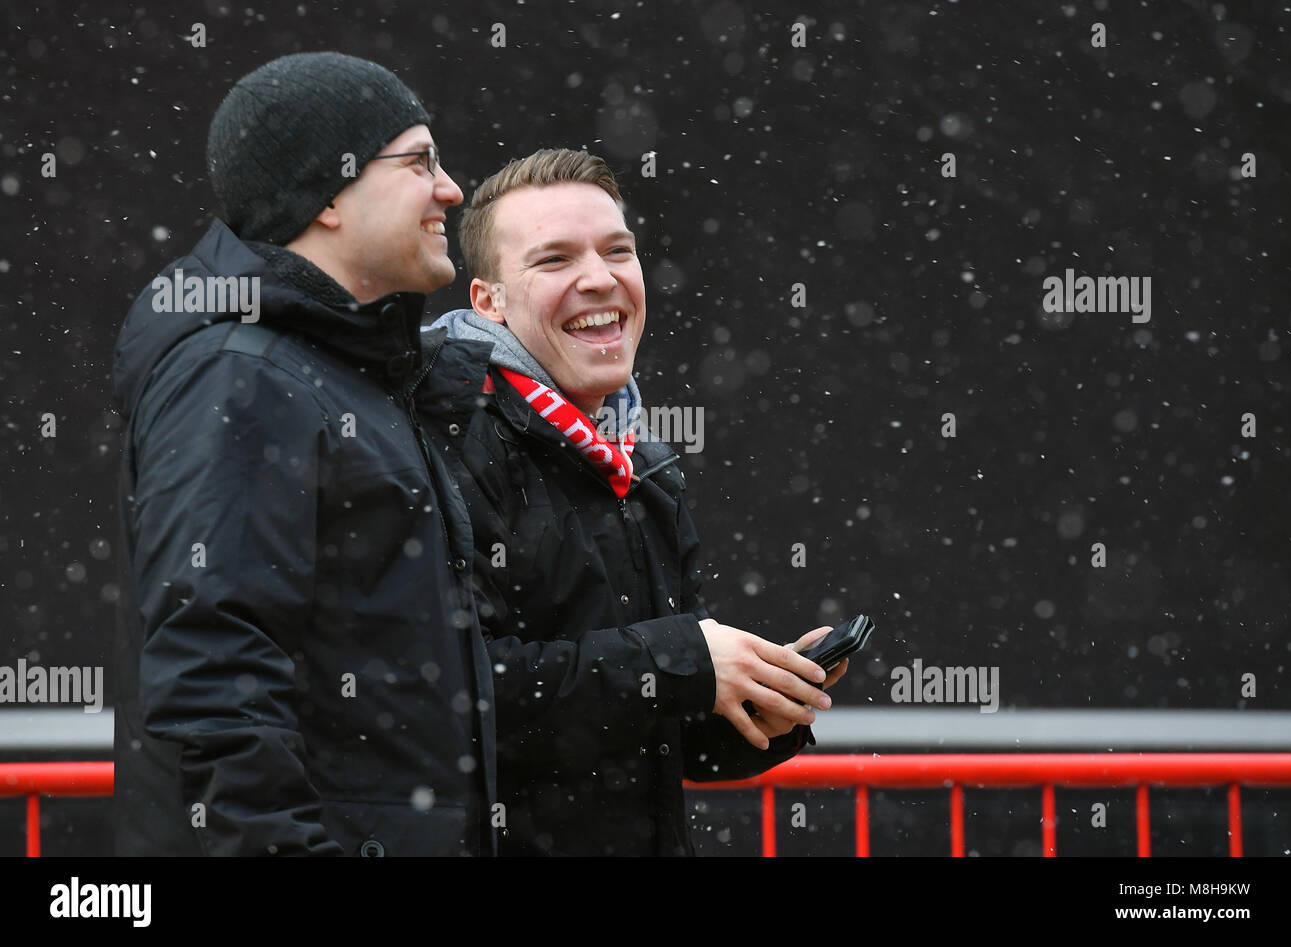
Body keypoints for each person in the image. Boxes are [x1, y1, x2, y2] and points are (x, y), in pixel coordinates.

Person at [111, 51, 496, 856]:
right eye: (420, 160)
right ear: (326, 193)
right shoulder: (241, 373)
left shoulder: (339, 372)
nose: (451, 189)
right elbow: (212, 678)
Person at [418, 148, 847, 855]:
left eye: (618, 250)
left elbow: (648, 734)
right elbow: (456, 700)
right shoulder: (445, 438)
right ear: (489, 302)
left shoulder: (639, 460)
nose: (599, 278)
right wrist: (682, 657)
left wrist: (759, 702)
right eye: (554, 260)